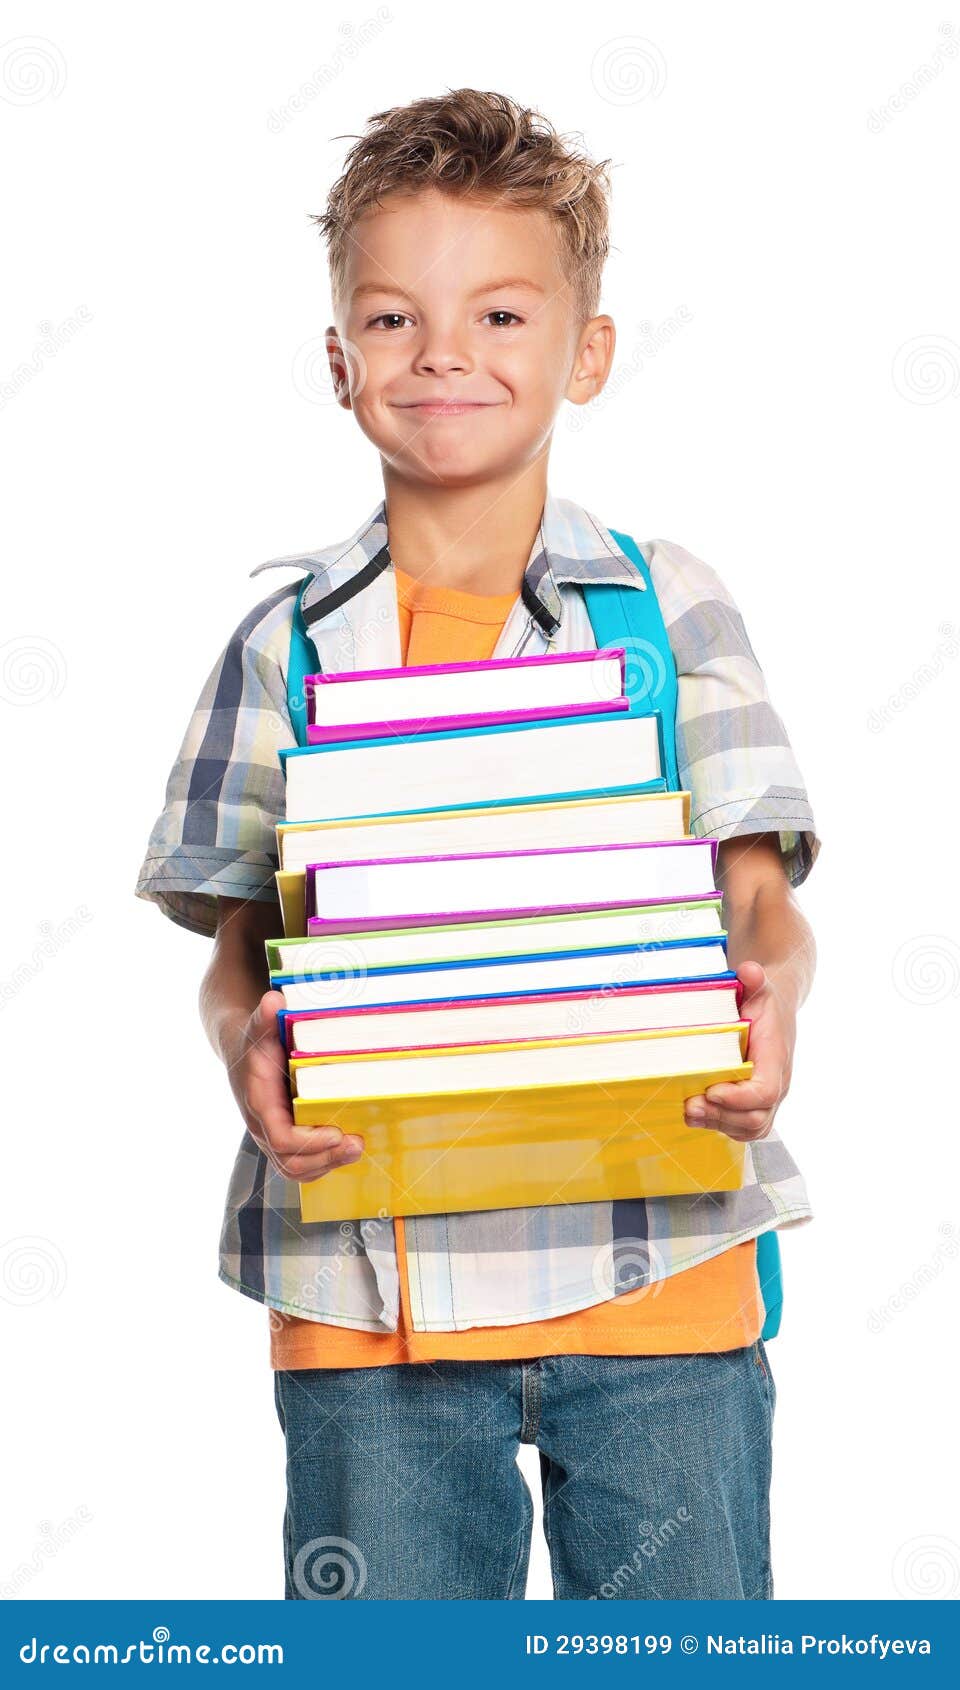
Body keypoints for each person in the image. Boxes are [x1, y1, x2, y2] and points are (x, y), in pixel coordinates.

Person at [135, 88, 820, 1601]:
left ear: (587, 351)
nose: (444, 352)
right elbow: (242, 934)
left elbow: (756, 888)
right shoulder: (285, 642)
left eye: (501, 312)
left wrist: (776, 993)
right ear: (340, 361)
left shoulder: (669, 602)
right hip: (368, 1300)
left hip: (658, 1270)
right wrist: (243, 1032)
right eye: (393, 318)